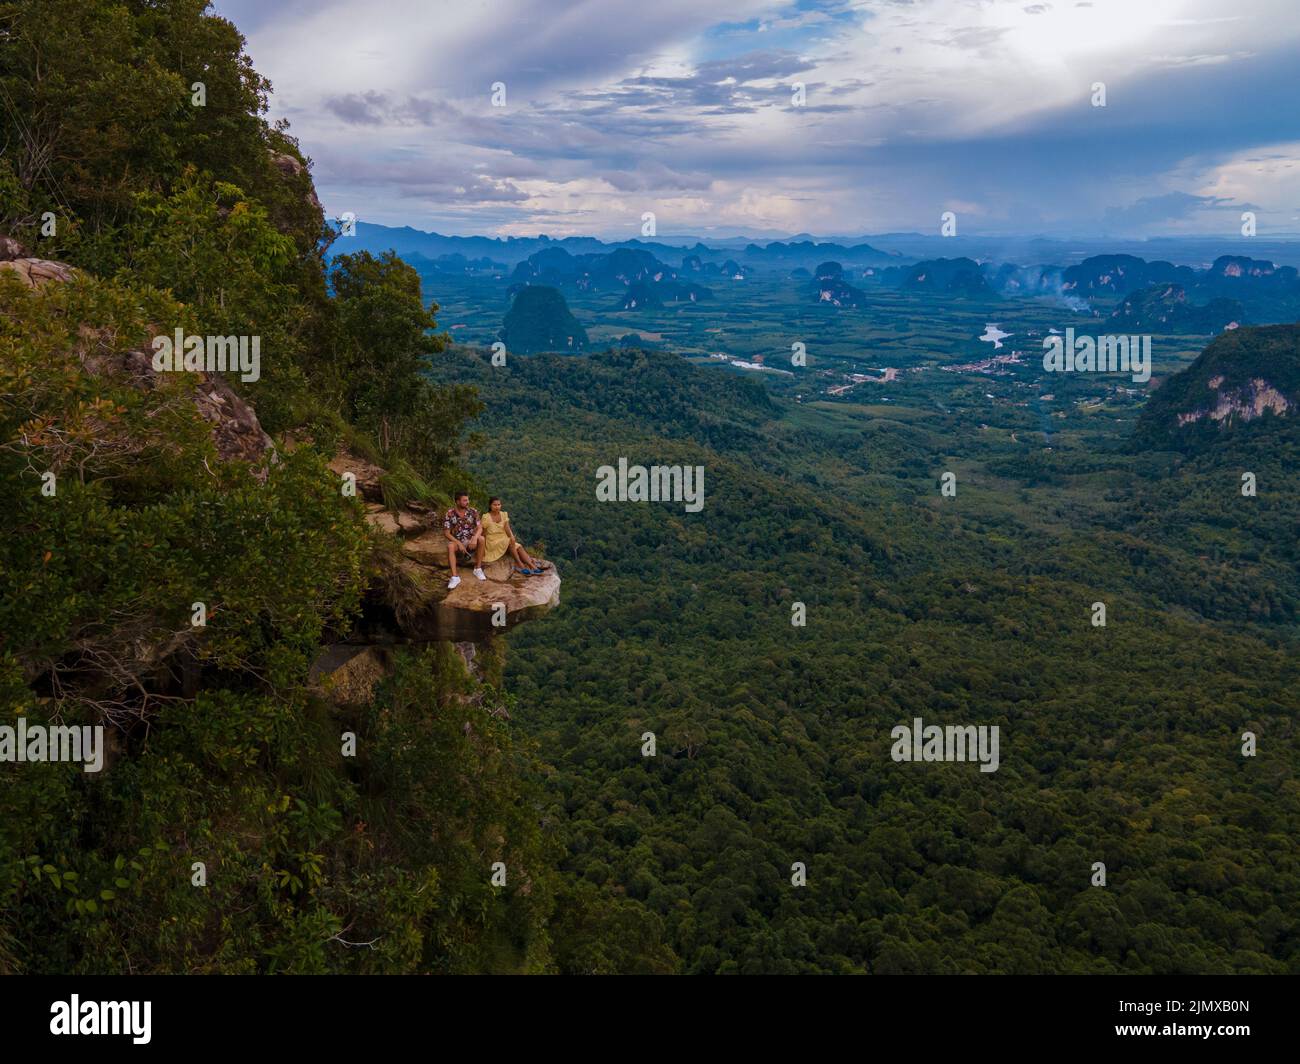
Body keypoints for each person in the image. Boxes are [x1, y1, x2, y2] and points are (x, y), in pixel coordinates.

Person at [482, 496, 548, 575]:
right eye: (494, 505)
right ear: (490, 506)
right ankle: (520, 565)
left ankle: (532, 566)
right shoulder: (486, 517)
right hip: (492, 542)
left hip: (503, 539)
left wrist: (512, 537)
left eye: (499, 505)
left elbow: (507, 529)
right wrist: (483, 549)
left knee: (518, 546)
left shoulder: (503, 514)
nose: (497, 507)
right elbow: (484, 533)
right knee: (510, 541)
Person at [443, 491, 484, 589]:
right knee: (450, 546)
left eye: (467, 500)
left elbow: (480, 528)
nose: (467, 502)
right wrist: (458, 543)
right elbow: (446, 533)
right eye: (465, 500)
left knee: (481, 539)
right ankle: (455, 577)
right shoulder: (450, 513)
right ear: (457, 501)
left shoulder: (473, 511)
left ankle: (478, 569)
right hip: (457, 541)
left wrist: (474, 538)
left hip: (470, 540)